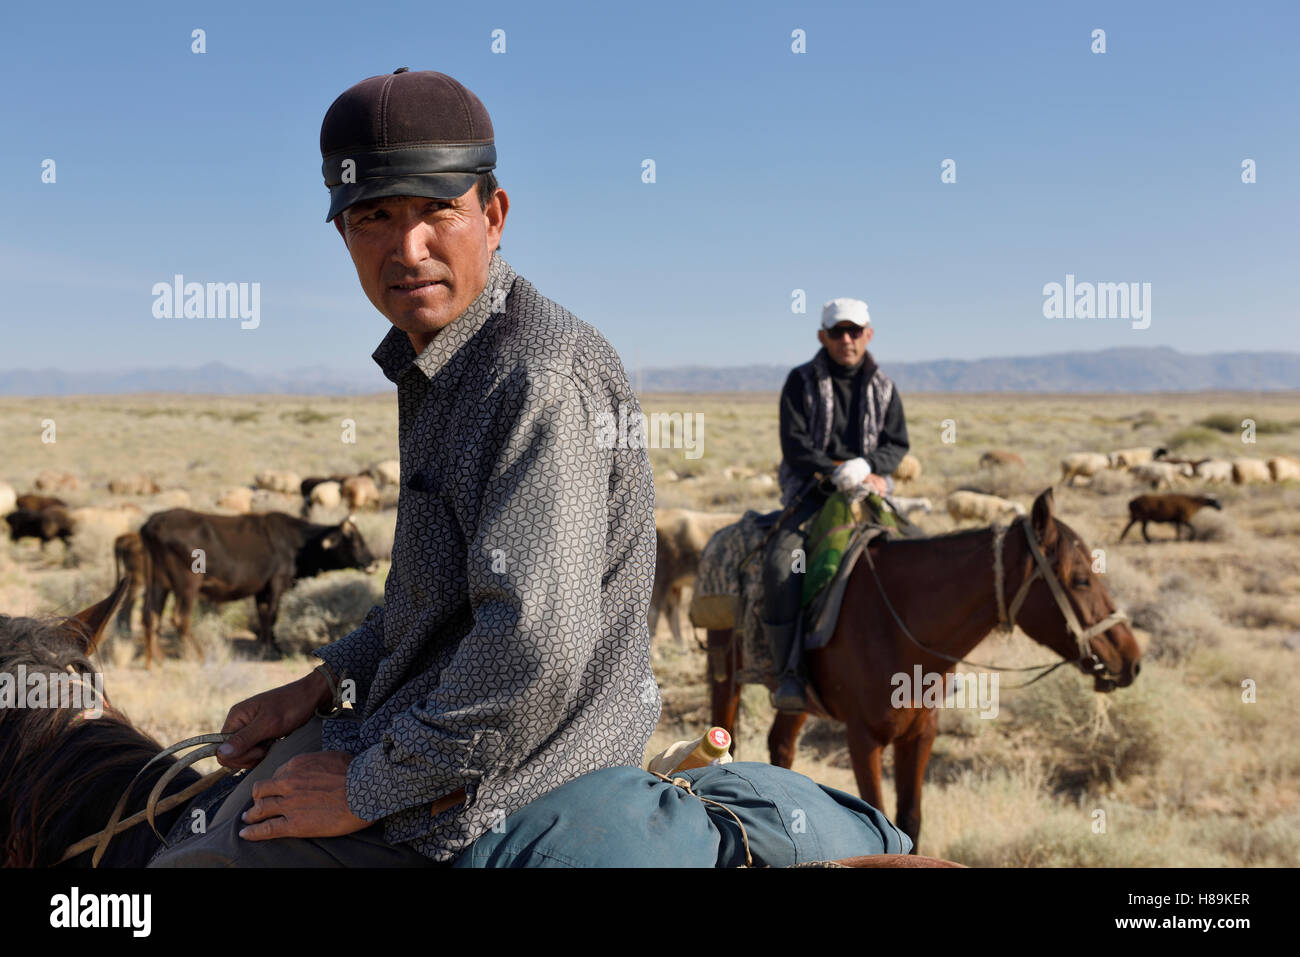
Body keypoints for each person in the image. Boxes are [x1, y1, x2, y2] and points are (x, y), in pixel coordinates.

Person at [150, 68, 661, 866]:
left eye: (437, 211)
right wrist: (317, 685)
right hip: (437, 742)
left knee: (199, 864)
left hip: (512, 779)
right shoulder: (442, 365)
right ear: (343, 234)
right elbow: (429, 600)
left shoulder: (538, 377)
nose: (407, 247)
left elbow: (535, 651)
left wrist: (363, 786)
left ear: (493, 216)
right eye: (375, 216)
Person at [762, 298, 910, 713]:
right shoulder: (801, 381)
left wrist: (871, 466)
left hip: (868, 493)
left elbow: (896, 443)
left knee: (917, 551)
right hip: (812, 495)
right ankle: (789, 672)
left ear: (869, 334)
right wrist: (832, 470)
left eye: (855, 331)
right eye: (838, 332)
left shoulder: (884, 386)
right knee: (781, 564)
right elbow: (794, 445)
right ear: (822, 336)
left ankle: (922, 668)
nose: (847, 339)